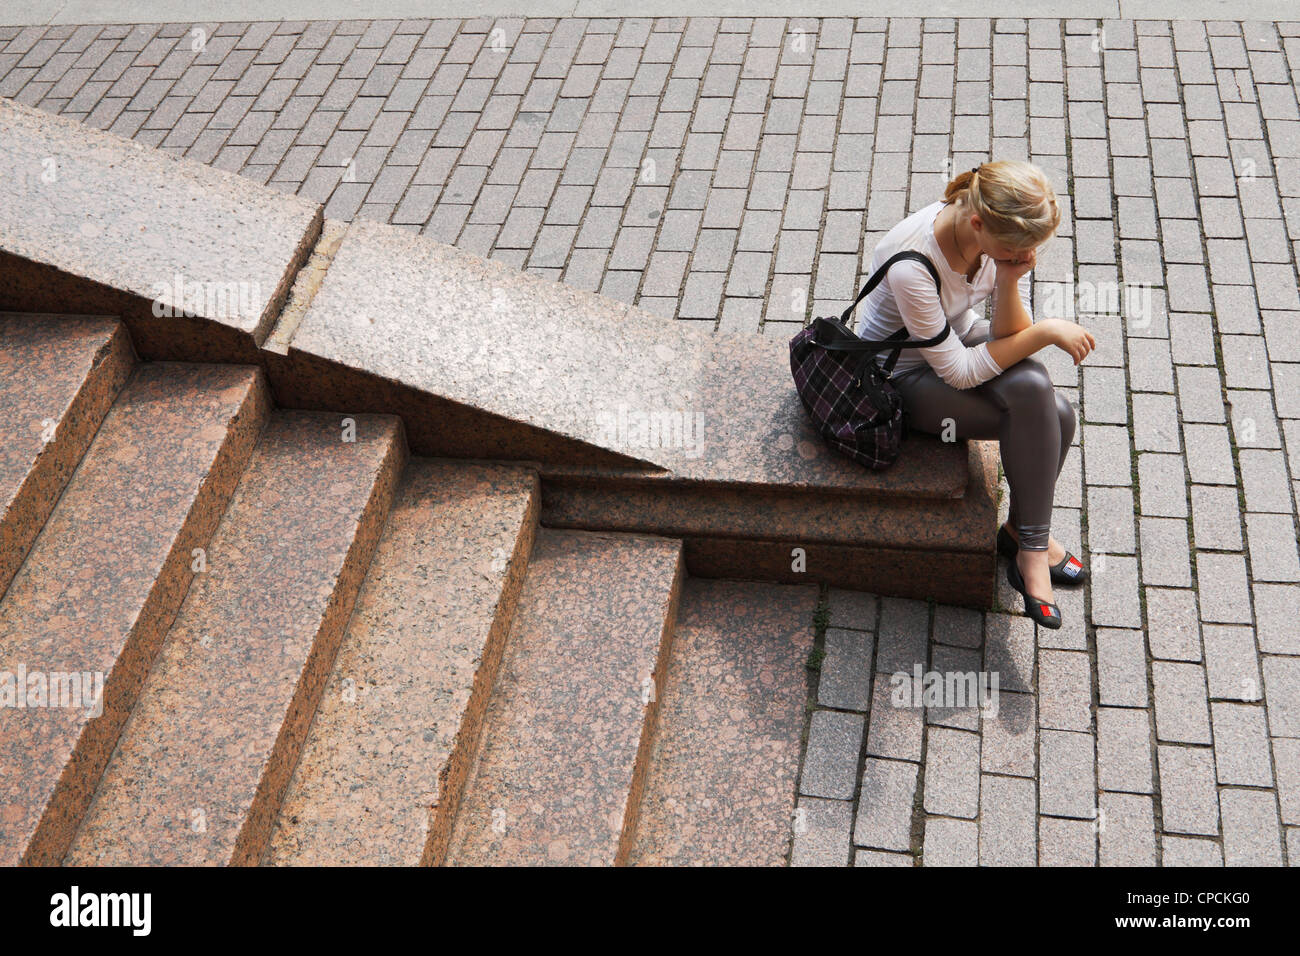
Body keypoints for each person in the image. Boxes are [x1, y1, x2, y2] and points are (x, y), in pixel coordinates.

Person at [856, 160, 1096, 628]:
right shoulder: (913, 263)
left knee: (1058, 413)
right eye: (1015, 250)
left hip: (951, 341)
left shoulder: (985, 234)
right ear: (979, 223)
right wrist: (1046, 331)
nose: (1023, 256)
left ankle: (1020, 535)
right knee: (1038, 396)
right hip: (898, 380)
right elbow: (961, 373)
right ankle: (1031, 551)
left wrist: (1008, 280)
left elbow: (1005, 331)